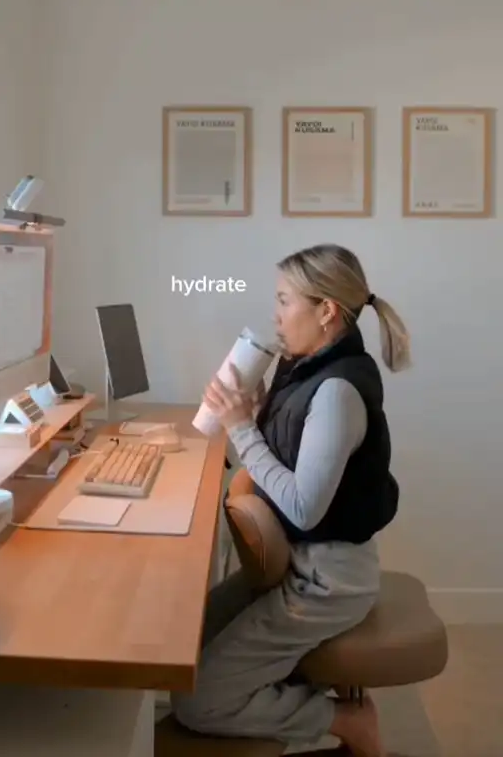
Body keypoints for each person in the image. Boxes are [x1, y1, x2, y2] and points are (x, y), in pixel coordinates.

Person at [171, 244, 411, 757]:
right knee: (185, 640)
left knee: (198, 701)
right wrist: (255, 415)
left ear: (326, 311)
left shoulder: (337, 391)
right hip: (298, 563)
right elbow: (292, 456)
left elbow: (303, 507)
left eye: (284, 301)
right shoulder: (305, 369)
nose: (276, 315)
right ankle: (274, 686)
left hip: (326, 583)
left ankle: (346, 720)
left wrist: (241, 429)